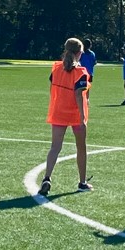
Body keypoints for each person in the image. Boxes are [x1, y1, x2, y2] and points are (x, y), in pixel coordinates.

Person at [36, 37, 91, 196]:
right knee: (81, 147)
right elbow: (79, 95)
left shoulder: (57, 68)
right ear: (79, 53)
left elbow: (52, 88)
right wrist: (82, 118)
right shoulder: (80, 72)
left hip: (58, 111)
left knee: (55, 147)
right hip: (75, 114)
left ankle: (47, 177)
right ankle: (82, 182)